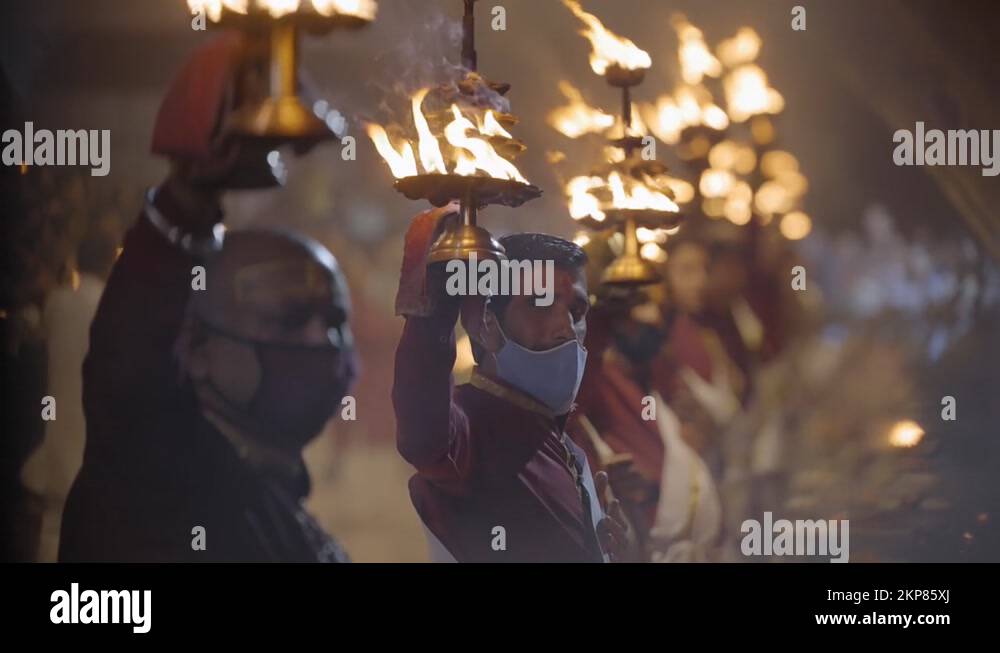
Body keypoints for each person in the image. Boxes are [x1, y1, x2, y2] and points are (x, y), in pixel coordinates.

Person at [59, 35, 357, 562]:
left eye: (332, 320)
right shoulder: (150, 479)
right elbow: (131, 364)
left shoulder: (285, 510)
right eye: (287, 319)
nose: (319, 339)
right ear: (196, 351)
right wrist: (187, 201)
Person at [392, 211, 628, 562]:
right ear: (485, 323)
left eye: (577, 312)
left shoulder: (559, 439)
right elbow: (421, 430)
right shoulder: (468, 431)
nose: (566, 329)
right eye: (539, 303)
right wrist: (434, 305)